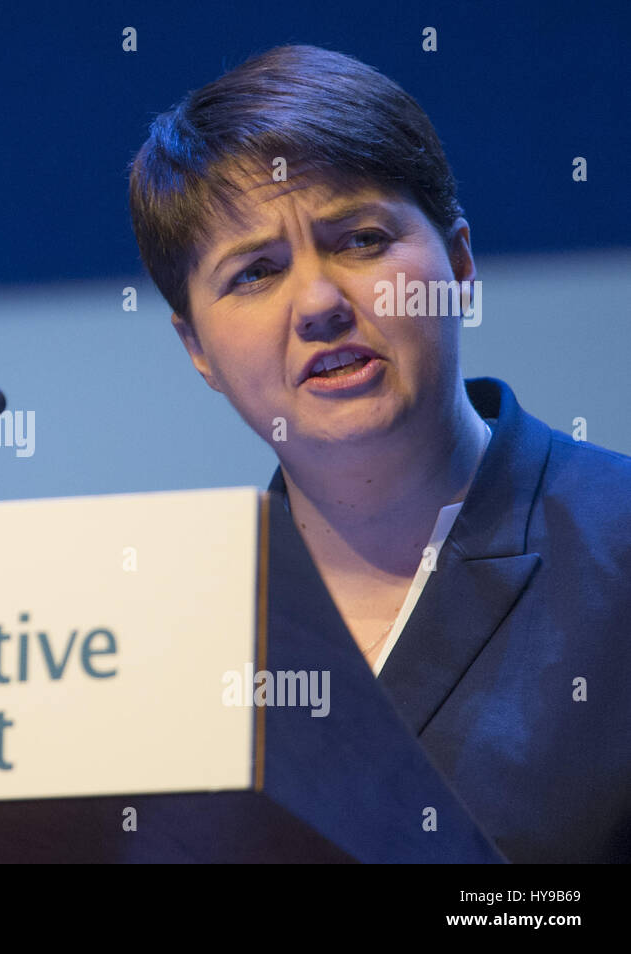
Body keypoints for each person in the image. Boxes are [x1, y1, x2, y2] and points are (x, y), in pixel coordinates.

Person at [127, 44, 631, 863]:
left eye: (361, 240)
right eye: (254, 273)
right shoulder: (163, 638)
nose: (320, 304)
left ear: (460, 265)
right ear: (197, 349)